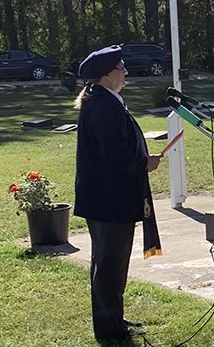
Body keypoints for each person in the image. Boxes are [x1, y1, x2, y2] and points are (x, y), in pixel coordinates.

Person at [74, 45, 162, 342]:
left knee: (109, 263)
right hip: (108, 199)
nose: (125, 72)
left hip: (106, 197)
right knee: (110, 265)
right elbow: (114, 155)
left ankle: (113, 319)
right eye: (120, 68)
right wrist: (144, 163)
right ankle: (110, 329)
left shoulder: (105, 100)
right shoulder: (103, 106)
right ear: (106, 75)